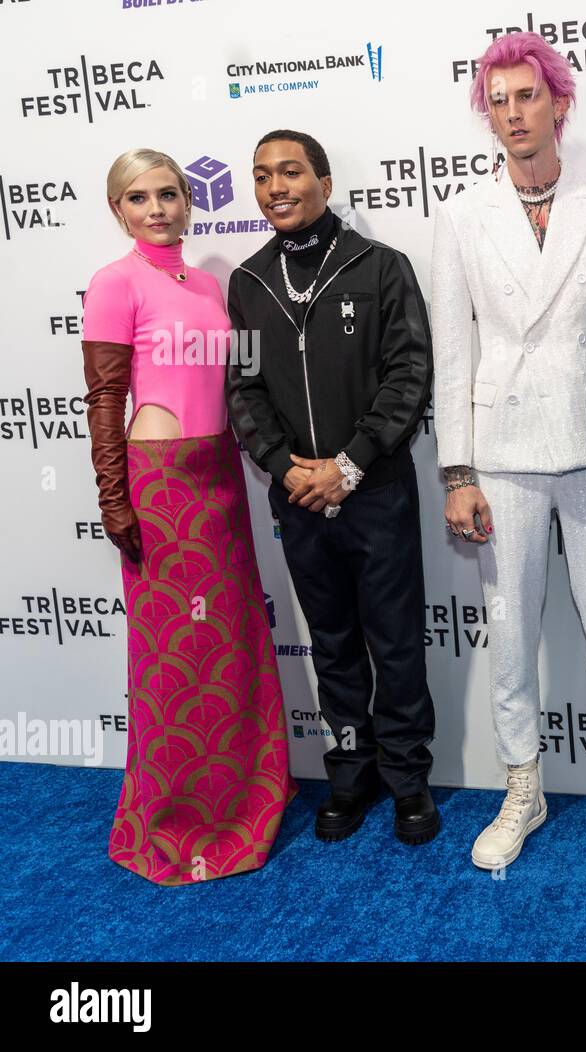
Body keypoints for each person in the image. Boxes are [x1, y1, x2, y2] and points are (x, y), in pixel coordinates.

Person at [430, 31, 586, 870]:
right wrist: (457, 470)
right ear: (485, 114)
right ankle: (520, 783)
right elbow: (453, 347)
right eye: (498, 100)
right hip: (502, 448)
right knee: (509, 625)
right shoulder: (459, 213)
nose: (513, 114)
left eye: (527, 96)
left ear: (559, 102)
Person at [82, 148, 295, 884]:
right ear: (119, 211)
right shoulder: (114, 285)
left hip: (223, 477)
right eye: (138, 198)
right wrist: (114, 495)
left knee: (229, 646)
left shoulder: (209, 284)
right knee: (176, 659)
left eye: (168, 193)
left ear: (188, 199)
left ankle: (242, 799)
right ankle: (176, 818)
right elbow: (105, 399)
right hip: (162, 486)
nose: (157, 208)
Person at [226, 129, 438, 845]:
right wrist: (287, 467)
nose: (275, 187)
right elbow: (245, 389)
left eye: (290, 172)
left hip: (374, 492)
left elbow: (410, 374)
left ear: (323, 180)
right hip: (299, 500)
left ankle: (409, 780)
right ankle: (352, 773)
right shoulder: (250, 284)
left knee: (397, 644)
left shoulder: (381, 268)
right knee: (332, 645)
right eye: (262, 176)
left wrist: (349, 464)